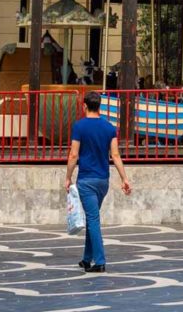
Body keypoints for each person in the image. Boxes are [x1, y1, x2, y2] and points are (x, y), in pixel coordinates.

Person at [65, 91, 132, 273]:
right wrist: (124, 178)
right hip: (103, 181)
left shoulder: (79, 127)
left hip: (86, 180)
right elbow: (115, 155)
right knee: (91, 217)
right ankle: (87, 259)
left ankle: (100, 261)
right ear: (99, 105)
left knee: (93, 219)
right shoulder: (109, 128)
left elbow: (73, 155)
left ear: (84, 106)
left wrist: (68, 177)